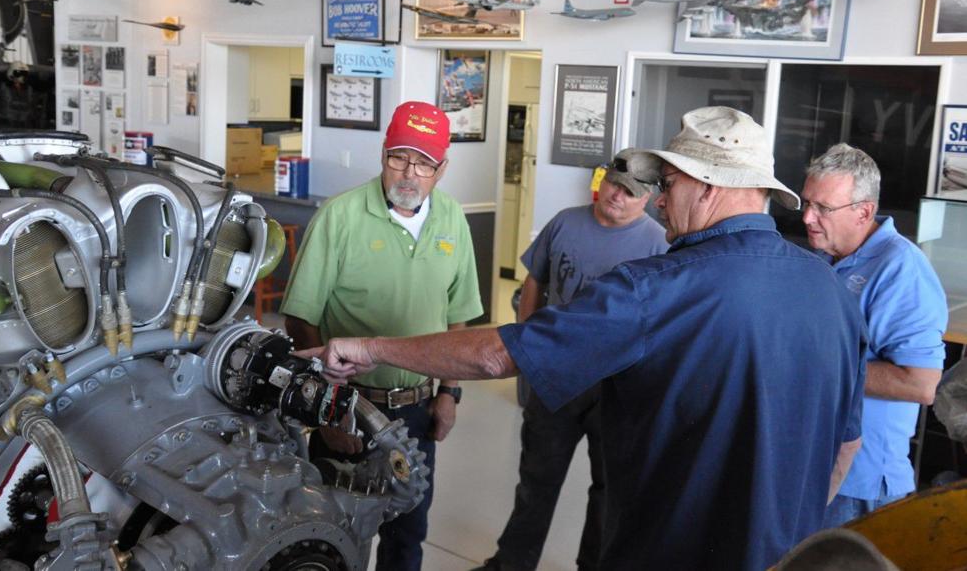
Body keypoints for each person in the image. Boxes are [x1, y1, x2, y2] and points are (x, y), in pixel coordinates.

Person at [306, 106, 868, 570]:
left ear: (707, 185)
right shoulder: (835, 294)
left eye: (669, 185)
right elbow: (845, 444)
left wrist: (372, 348)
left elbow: (502, 350)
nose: (661, 201)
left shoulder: (658, 288)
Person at [280, 100, 483, 571]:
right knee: (331, 536)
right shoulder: (341, 216)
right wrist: (327, 408)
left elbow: (459, 319)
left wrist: (450, 393)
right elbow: (299, 319)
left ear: (442, 167)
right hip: (347, 408)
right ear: (383, 154)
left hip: (416, 410)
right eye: (399, 157)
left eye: (425, 163)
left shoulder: (452, 219)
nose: (410, 173)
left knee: (407, 533)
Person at [475, 149, 668, 571]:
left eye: (631, 193)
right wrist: (526, 342)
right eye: (615, 185)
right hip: (556, 378)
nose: (618, 196)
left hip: (616, 388)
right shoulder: (565, 222)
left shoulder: (657, 244)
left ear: (649, 198)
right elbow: (534, 281)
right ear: (603, 181)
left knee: (608, 490)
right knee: (536, 481)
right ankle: (511, 564)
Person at [801, 143, 948, 527]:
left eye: (822, 208)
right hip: (814, 467)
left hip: (860, 485)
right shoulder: (824, 257)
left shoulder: (901, 269)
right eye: (805, 203)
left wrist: (812, 367)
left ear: (864, 211)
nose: (807, 218)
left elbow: (920, 384)